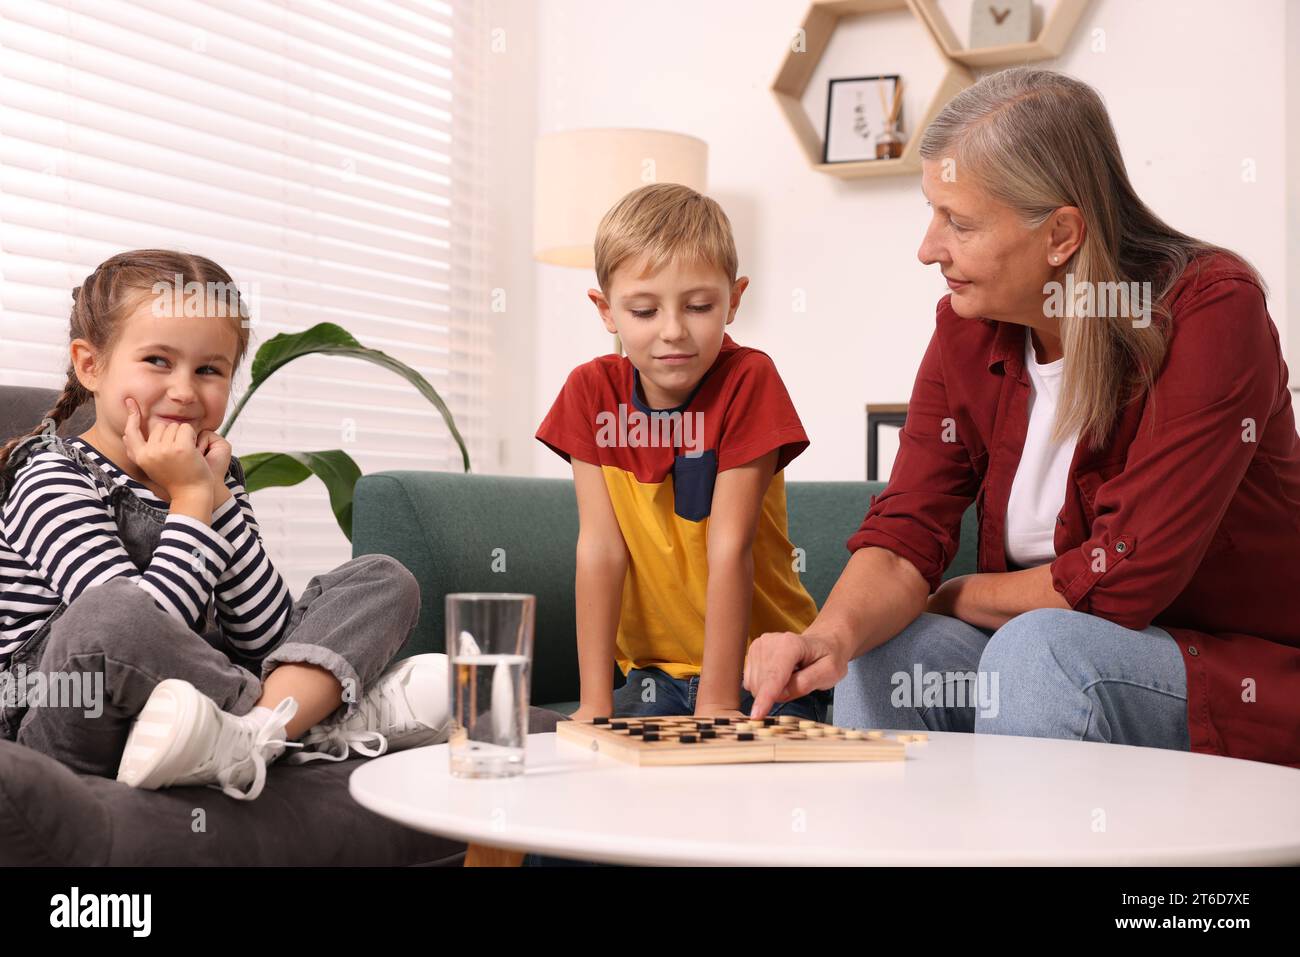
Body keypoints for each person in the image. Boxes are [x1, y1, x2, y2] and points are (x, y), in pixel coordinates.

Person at [744, 68, 1300, 769]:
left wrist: (954, 594)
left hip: (1225, 673)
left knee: (1036, 649)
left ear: (1062, 233)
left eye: (960, 222)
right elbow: (903, 533)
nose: (928, 247)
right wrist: (830, 635)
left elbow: (1122, 575)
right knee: (882, 652)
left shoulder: (1211, 312)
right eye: (932, 211)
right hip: (1035, 657)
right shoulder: (966, 329)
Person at [0, 250, 450, 800]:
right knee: (110, 614)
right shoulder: (52, 474)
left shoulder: (212, 470)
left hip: (190, 712)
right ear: (90, 365)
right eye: (158, 362)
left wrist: (217, 498)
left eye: (209, 370)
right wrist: (192, 498)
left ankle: (256, 734)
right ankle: (297, 726)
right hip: (68, 715)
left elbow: (263, 637)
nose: (186, 391)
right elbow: (138, 627)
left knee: (383, 578)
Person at [536, 183, 828, 722]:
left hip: (760, 673)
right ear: (606, 311)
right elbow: (600, 550)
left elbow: (729, 545)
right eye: (644, 311)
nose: (673, 331)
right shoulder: (588, 392)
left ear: (733, 300)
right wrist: (595, 704)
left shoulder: (749, 380)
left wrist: (717, 702)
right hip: (651, 678)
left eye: (698, 306)